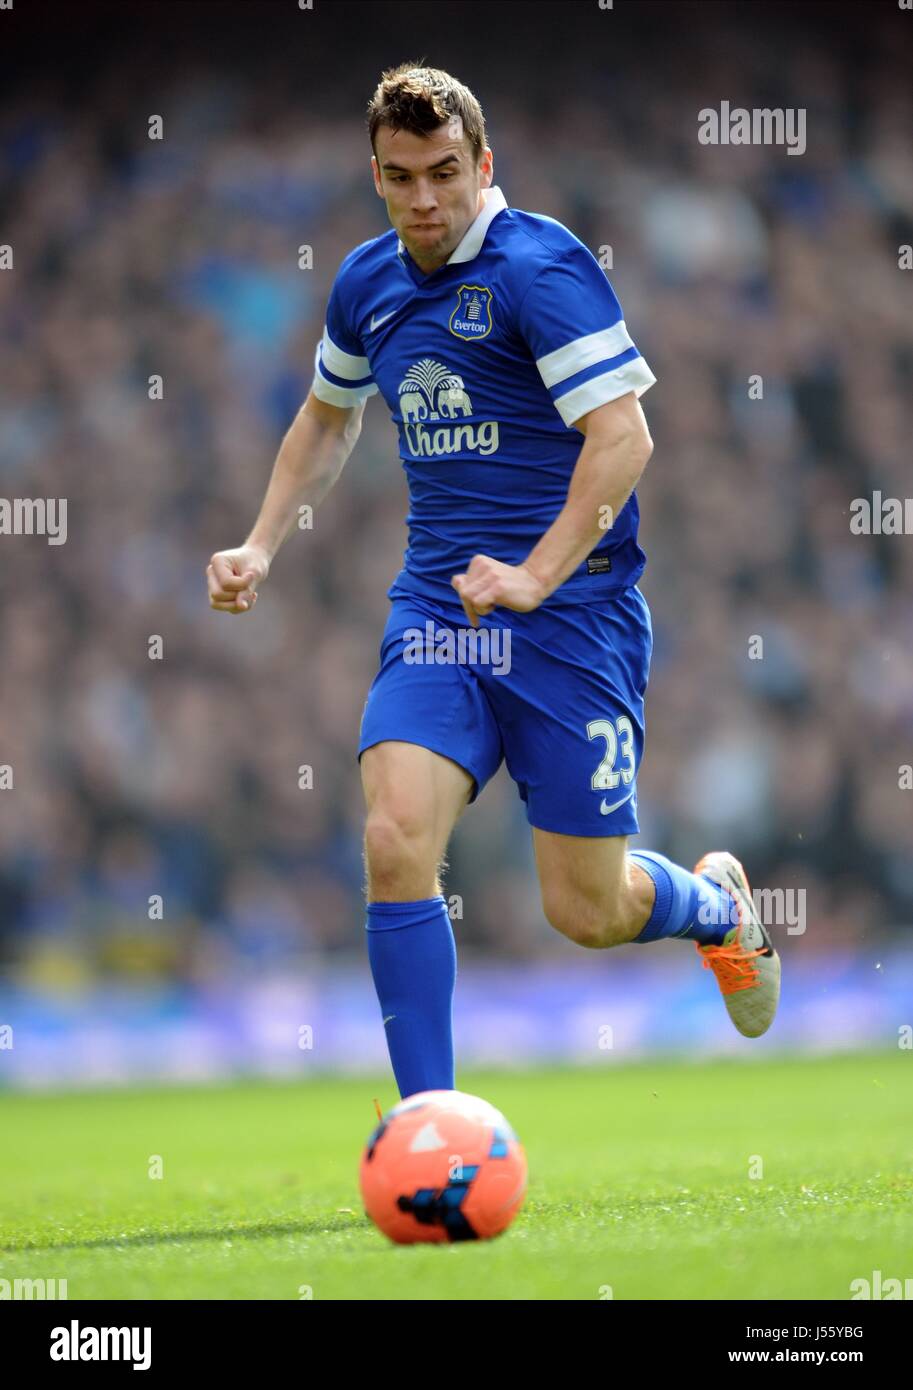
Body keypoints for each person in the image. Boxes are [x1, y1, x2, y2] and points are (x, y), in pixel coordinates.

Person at [206, 63, 780, 1098]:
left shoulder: (539, 270)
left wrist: (533, 574)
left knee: (584, 910)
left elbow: (622, 438)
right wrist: (260, 543)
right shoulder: (365, 282)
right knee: (391, 838)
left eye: (441, 174)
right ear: (373, 175)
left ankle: (715, 908)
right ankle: (429, 1119)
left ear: (483, 164)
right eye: (399, 177)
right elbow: (328, 421)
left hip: (571, 619)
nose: (423, 200)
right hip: (440, 610)